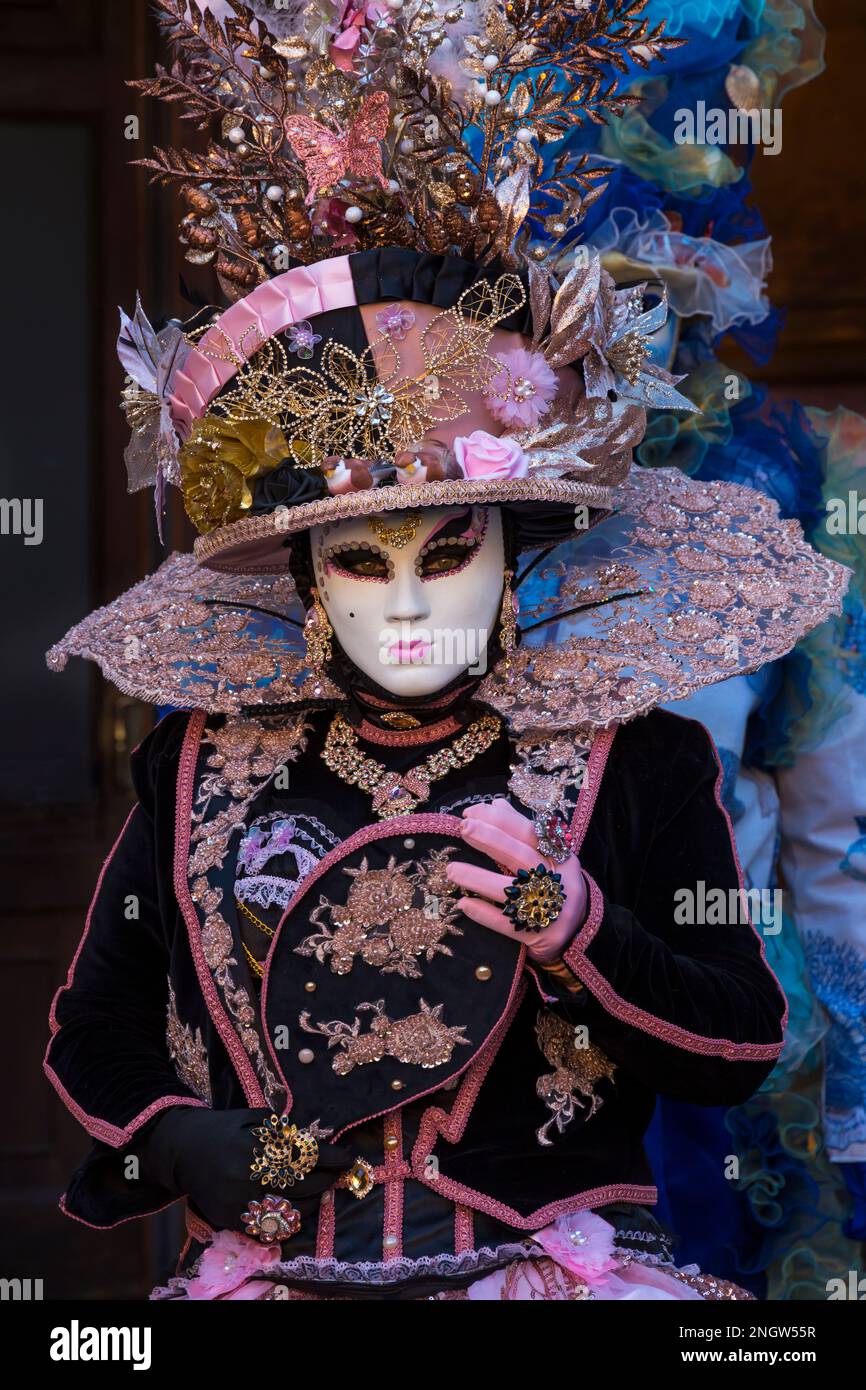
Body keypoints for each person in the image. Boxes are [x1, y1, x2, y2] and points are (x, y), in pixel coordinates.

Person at [43, 0, 848, 1301]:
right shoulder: (196, 766)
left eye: (445, 553)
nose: (406, 602)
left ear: (509, 553)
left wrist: (580, 927)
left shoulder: (631, 758)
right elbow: (100, 1035)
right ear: (306, 585)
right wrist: (178, 1141)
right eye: (362, 562)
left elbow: (739, 1037)